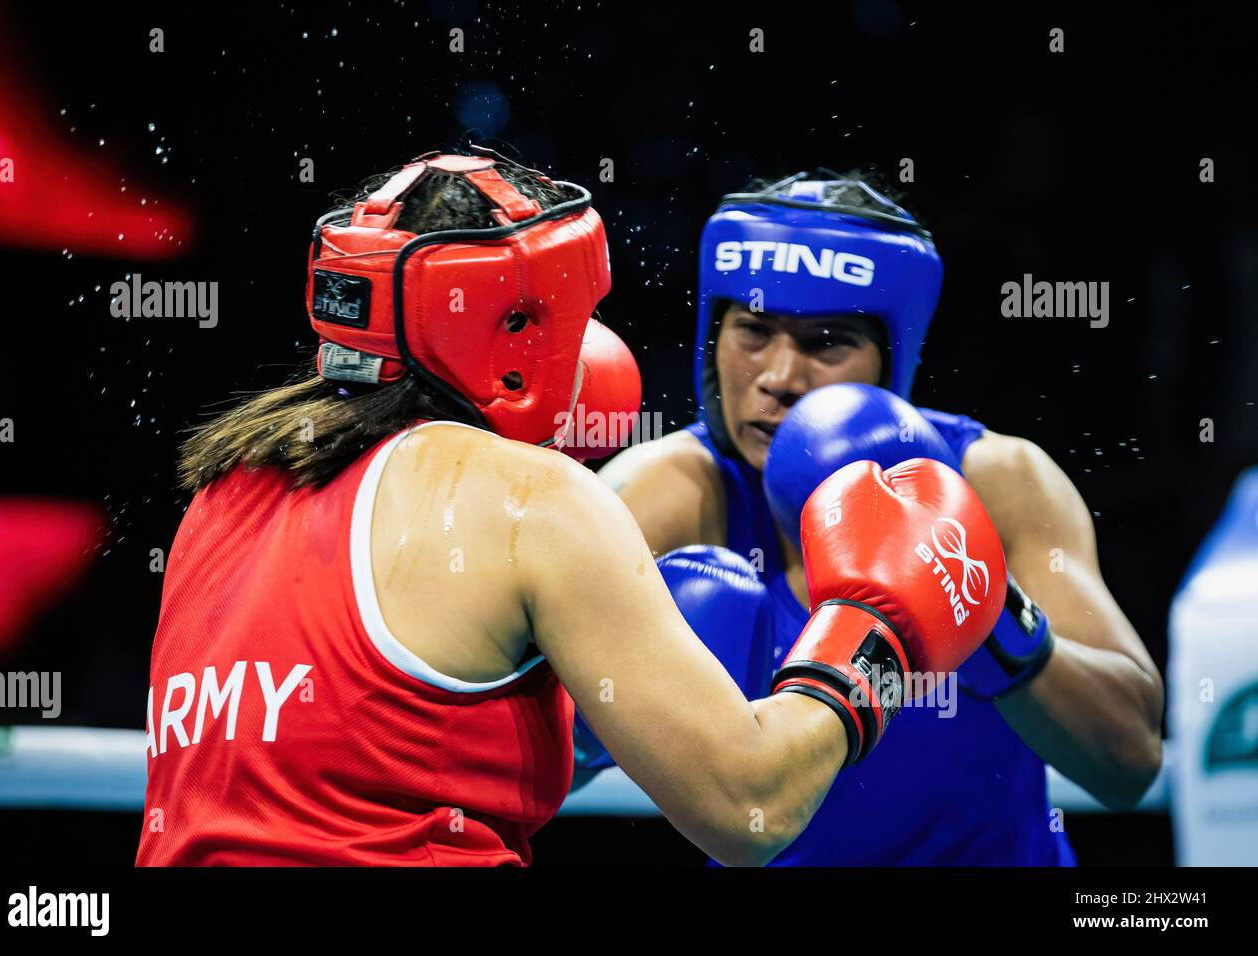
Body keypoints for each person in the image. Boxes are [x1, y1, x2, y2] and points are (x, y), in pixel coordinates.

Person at [135, 150, 1004, 866]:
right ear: (516, 328)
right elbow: (752, 805)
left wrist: (578, 721)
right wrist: (872, 631)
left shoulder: (218, 495)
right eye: (570, 316)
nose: (589, 350)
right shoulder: (532, 499)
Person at [592, 171, 1165, 864]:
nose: (779, 376)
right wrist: (594, 725)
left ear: (893, 359)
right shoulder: (669, 500)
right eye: (753, 330)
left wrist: (983, 609)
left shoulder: (998, 482)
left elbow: (1130, 763)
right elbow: (510, 756)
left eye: (826, 341)